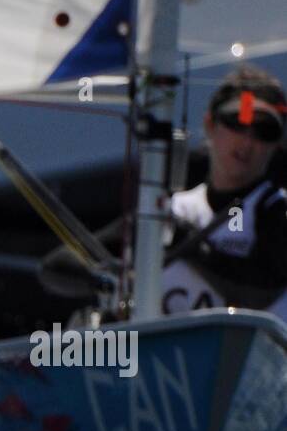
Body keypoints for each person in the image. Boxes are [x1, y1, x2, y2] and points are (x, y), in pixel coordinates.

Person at [41, 64, 287, 317]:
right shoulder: (170, 213)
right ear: (210, 124)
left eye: (264, 132)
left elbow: (261, 290)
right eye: (236, 124)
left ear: (278, 144)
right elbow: (55, 267)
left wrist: (189, 245)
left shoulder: (276, 209)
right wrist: (108, 282)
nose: (247, 141)